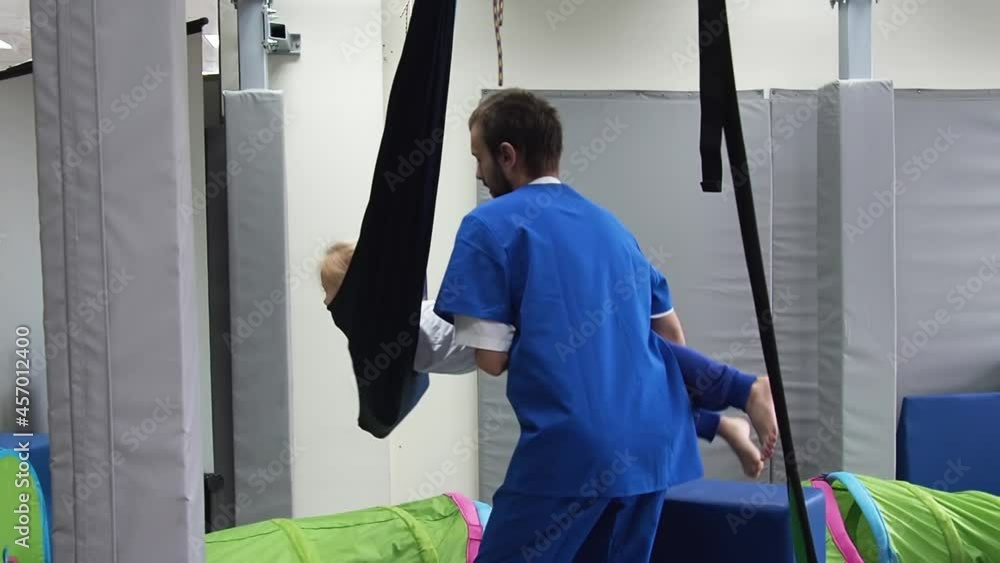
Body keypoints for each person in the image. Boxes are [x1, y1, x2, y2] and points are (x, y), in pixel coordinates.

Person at [431, 88, 778, 563]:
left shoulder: (487, 226)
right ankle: (735, 396)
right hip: (654, 449)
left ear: (507, 155)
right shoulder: (613, 228)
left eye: (478, 158)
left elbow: (490, 360)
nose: (477, 173)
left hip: (574, 454)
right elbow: (670, 339)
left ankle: (736, 397)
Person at [321, 241, 771, 479]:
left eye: (330, 294)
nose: (327, 306)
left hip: (510, 330)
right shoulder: (383, 330)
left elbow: (670, 338)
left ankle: (743, 389)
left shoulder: (383, 322)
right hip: (509, 338)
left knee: (634, 356)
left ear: (354, 294)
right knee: (624, 384)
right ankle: (722, 423)